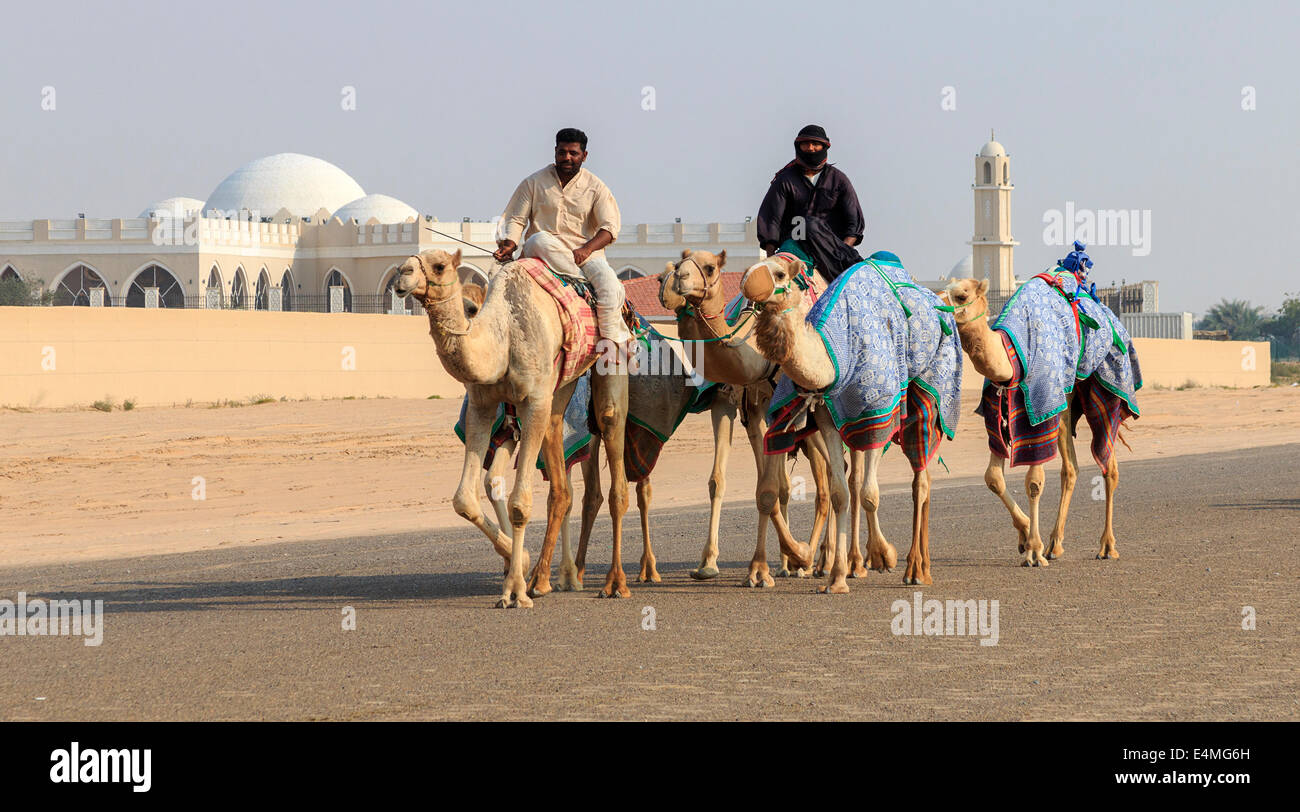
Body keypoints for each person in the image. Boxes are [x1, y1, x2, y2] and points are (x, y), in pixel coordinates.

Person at [494, 127, 632, 356]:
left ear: (584, 156)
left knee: (611, 286)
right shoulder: (534, 182)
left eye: (573, 153)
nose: (567, 158)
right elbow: (516, 219)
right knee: (539, 239)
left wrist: (586, 249)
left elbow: (609, 228)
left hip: (586, 257)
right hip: (543, 253)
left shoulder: (596, 187)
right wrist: (510, 244)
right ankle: (580, 283)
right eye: (562, 152)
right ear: (555, 152)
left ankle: (610, 344)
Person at [756, 124, 865, 281]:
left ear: (824, 147)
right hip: (793, 246)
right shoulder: (784, 180)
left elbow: (854, 224)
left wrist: (842, 252)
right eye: (805, 144)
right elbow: (771, 220)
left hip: (834, 251)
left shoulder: (838, 179)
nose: (811, 148)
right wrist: (771, 262)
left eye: (816, 144)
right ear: (798, 147)